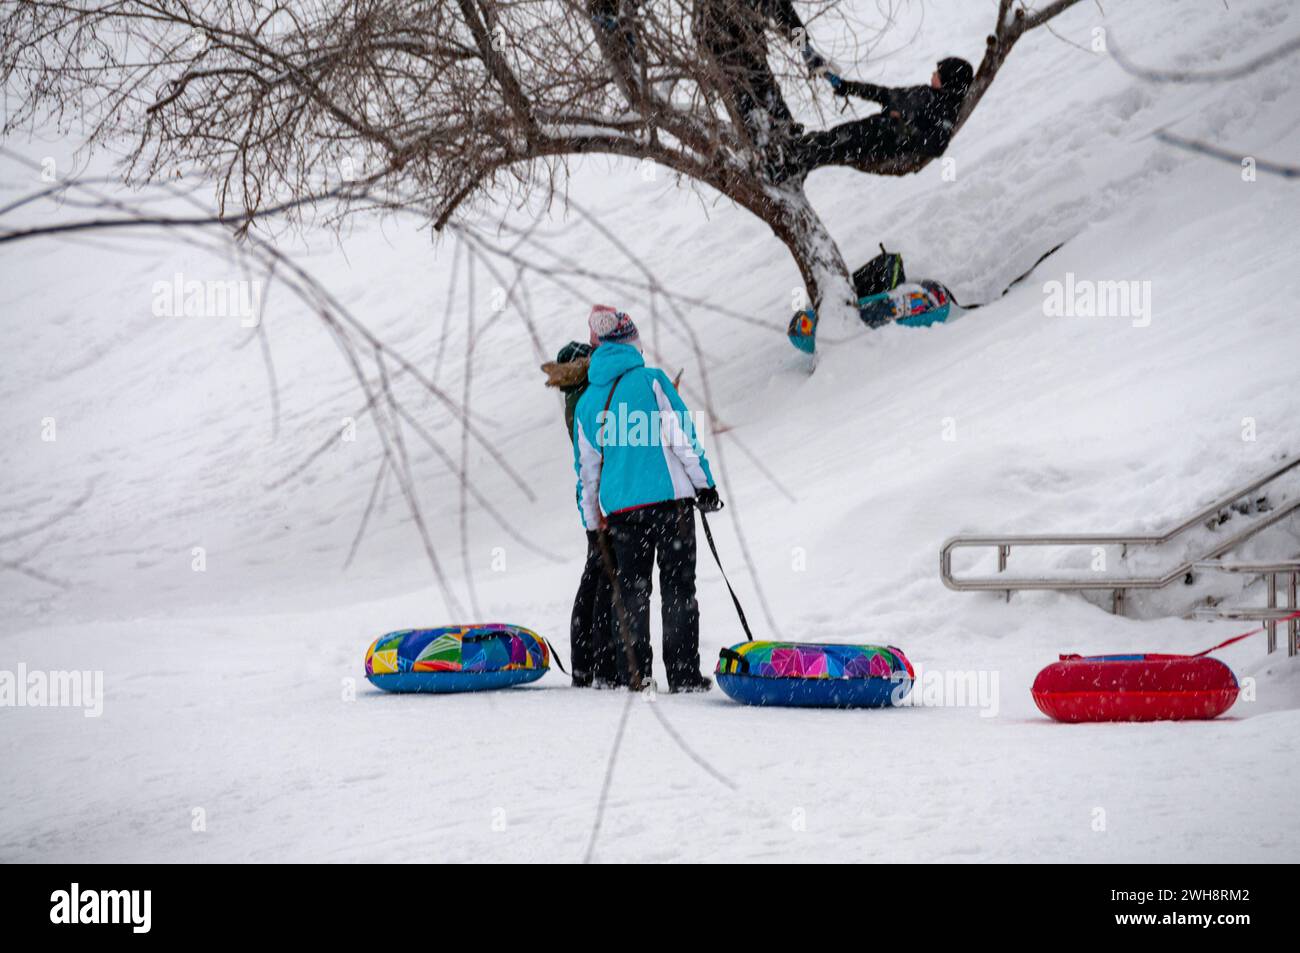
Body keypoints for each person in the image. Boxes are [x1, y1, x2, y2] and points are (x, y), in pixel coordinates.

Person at [572, 306, 721, 693]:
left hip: (621, 512)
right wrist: (704, 485)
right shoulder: (652, 382)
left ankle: (634, 675)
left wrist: (592, 525)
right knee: (678, 589)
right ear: (631, 343)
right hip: (670, 503)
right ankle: (684, 674)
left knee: (631, 592)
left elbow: (587, 473)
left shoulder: (588, 403)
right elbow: (683, 436)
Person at [543, 340, 625, 688]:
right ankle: (594, 664)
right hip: (602, 501)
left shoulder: (579, 396)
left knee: (597, 577)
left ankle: (586, 664)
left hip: (597, 500)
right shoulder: (583, 400)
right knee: (602, 579)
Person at [794, 57, 974, 174]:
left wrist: (900, 124)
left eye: (938, 74)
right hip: (877, 129)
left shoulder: (945, 109)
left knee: (837, 144)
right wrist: (847, 87)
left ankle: (791, 160)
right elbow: (885, 94)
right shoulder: (925, 92)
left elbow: (937, 145)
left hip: (885, 143)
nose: (933, 74)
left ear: (948, 82)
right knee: (835, 136)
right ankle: (793, 148)